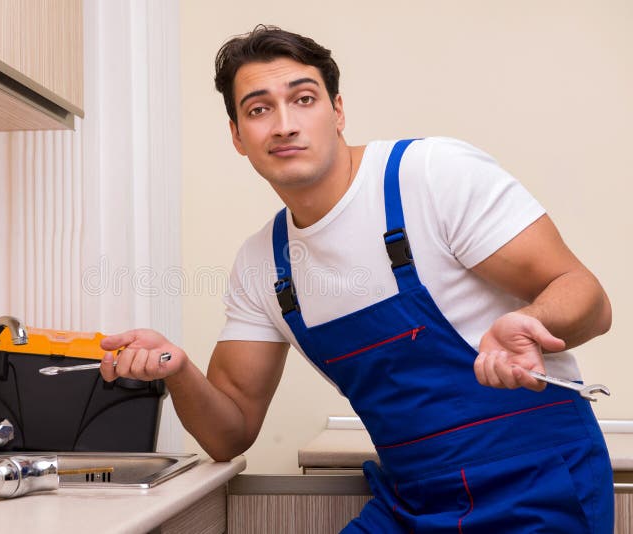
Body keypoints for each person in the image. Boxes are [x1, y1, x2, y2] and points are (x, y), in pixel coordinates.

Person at [99, 25, 613, 533]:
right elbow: (229, 432)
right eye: (259, 109)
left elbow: (587, 296)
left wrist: (528, 321)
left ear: (338, 111)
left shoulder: (432, 176)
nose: (284, 125)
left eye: (303, 99)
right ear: (238, 136)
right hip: (414, 500)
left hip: (541, 483)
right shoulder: (262, 265)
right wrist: (178, 369)